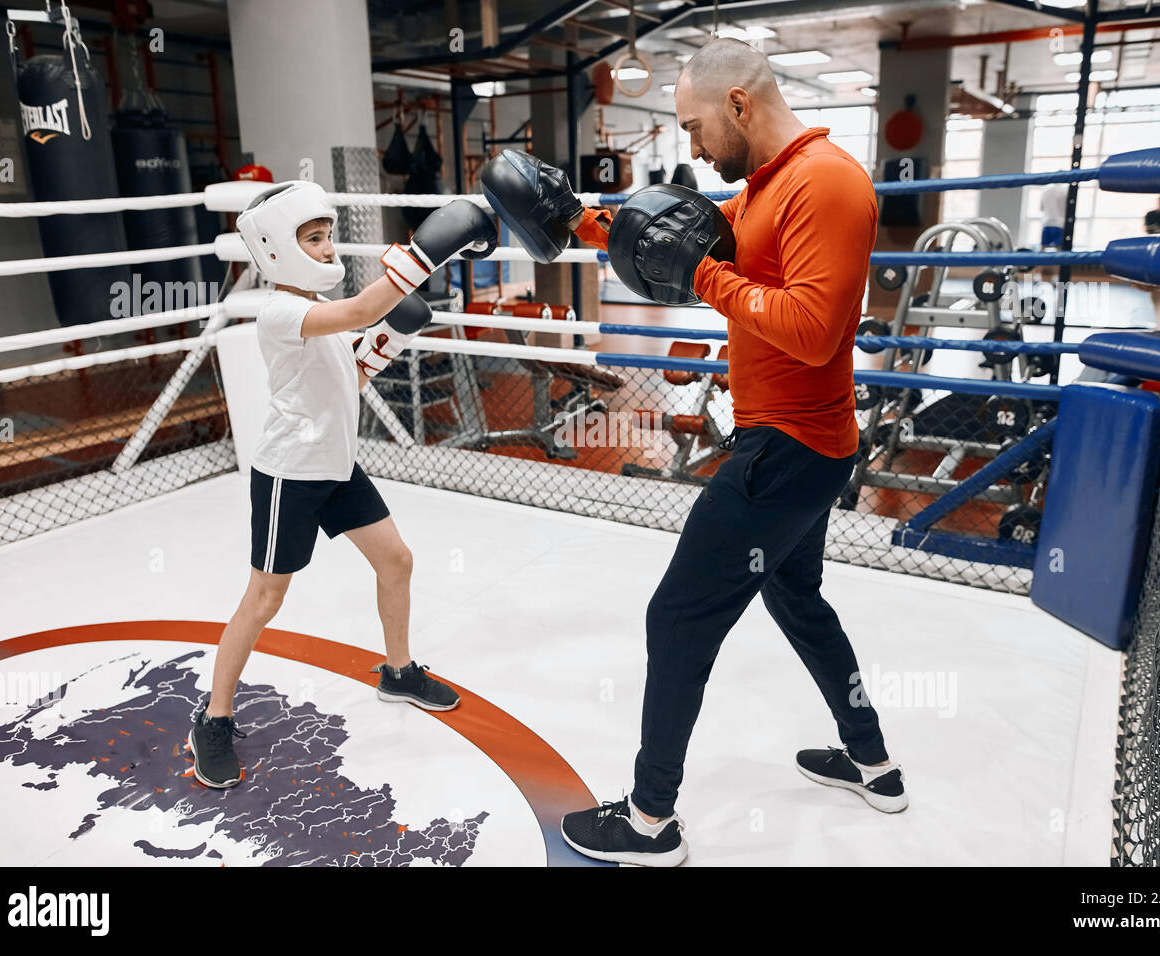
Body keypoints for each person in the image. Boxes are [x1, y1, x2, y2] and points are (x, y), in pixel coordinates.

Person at [483, 37, 904, 867]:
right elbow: (694, 248)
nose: (694, 148)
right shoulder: (767, 185)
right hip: (799, 445)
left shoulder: (827, 184)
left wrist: (707, 280)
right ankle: (872, 760)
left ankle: (649, 822)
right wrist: (581, 221)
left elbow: (814, 333)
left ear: (740, 105)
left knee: (676, 618)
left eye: (696, 127)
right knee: (798, 600)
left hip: (789, 449)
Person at [187, 181, 496, 789]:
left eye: (328, 236)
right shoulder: (279, 312)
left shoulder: (318, 317)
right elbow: (357, 311)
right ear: (277, 249)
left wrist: (383, 347)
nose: (328, 249)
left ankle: (398, 672)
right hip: (291, 476)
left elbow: (346, 377)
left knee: (397, 561)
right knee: (265, 600)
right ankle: (213, 718)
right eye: (313, 238)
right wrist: (435, 244)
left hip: (336, 467)